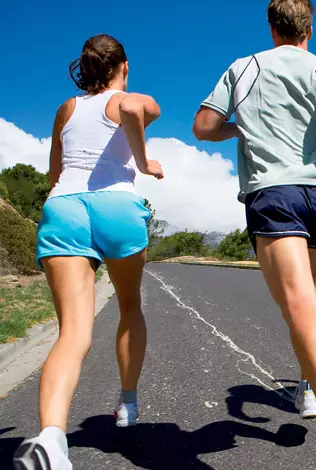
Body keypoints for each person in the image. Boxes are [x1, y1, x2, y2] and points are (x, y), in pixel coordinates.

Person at [192, 1, 316, 468]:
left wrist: (242, 129)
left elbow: (203, 126)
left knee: (298, 304)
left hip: (274, 193)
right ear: (310, 29)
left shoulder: (246, 67)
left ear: (272, 27)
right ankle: (306, 389)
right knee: (308, 301)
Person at [13, 35, 164, 470]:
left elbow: (55, 171)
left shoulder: (67, 109)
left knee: (72, 333)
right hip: (115, 205)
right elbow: (134, 109)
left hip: (65, 207)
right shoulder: (132, 97)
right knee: (130, 304)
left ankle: (52, 439)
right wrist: (144, 161)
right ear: (124, 67)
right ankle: (128, 403)